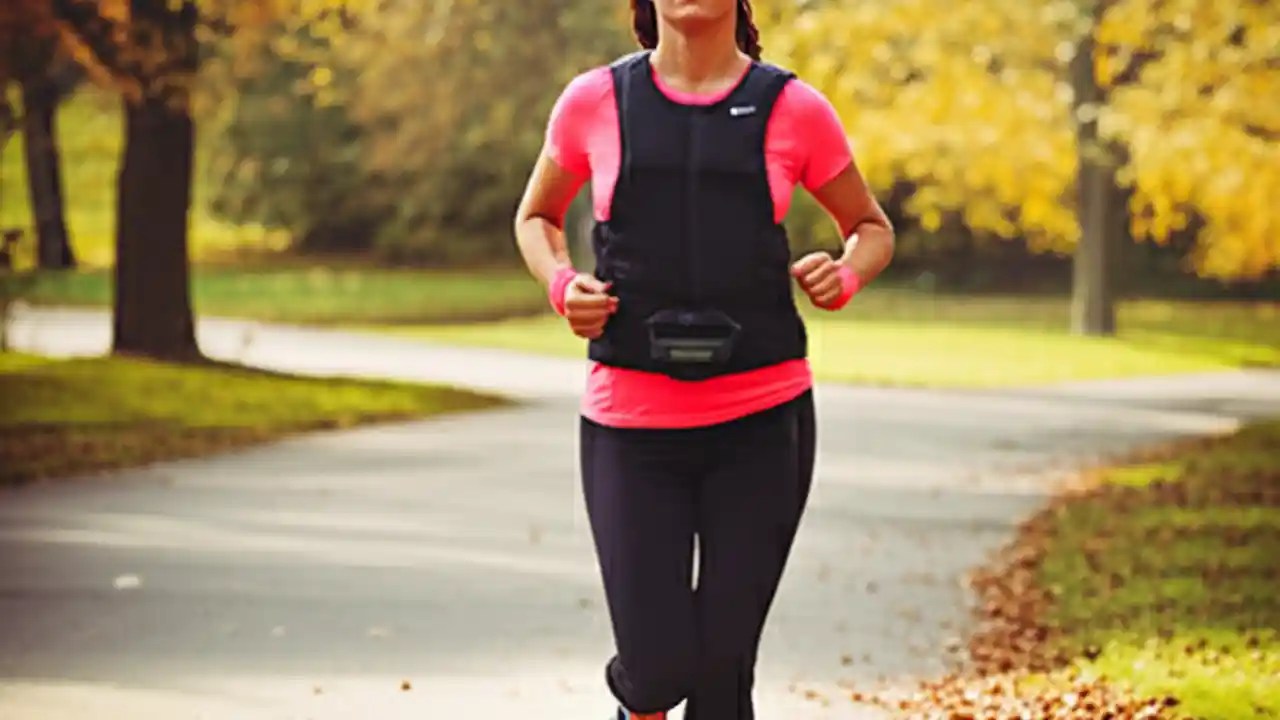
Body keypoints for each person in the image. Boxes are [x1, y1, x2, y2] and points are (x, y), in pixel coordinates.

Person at [513, 1, 895, 717]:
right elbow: (535, 215)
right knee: (657, 669)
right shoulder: (594, 101)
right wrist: (563, 286)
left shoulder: (794, 108)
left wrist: (843, 276)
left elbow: (870, 228)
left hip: (761, 424)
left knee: (723, 676)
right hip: (631, 431)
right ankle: (638, 704)